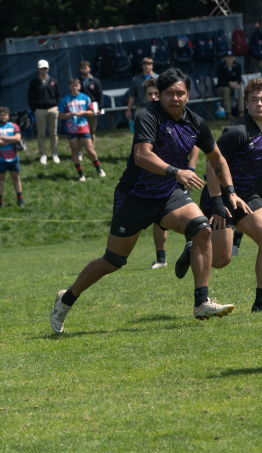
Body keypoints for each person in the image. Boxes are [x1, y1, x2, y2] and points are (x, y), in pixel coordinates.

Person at [50, 68, 246, 333]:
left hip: (167, 194)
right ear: (159, 96)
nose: (175, 98)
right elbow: (142, 156)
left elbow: (218, 159)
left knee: (201, 230)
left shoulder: (196, 123)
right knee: (113, 261)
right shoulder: (148, 116)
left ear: (188, 94)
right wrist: (177, 171)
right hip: (135, 196)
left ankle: (202, 302)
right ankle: (66, 299)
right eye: (169, 94)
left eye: (180, 93)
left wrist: (230, 191)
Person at [174, 79, 262, 313]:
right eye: (254, 99)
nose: (259, 104)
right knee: (222, 260)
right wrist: (217, 204)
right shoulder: (237, 132)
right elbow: (212, 167)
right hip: (221, 197)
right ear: (246, 103)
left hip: (248, 196)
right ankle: (193, 249)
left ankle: (260, 302)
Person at [144, 78, 200, 270]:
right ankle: (161, 258)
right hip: (153, 178)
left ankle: (190, 248)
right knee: (156, 219)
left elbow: (196, 143)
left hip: (178, 176)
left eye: (156, 94)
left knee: (190, 213)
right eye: (149, 94)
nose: (153, 97)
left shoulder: (179, 116)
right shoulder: (145, 117)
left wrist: (190, 168)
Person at [58, 78, 105, 182]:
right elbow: (60, 115)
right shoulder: (65, 100)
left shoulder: (85, 98)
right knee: (74, 150)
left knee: (90, 149)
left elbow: (91, 112)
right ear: (70, 87)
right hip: (71, 129)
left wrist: (83, 113)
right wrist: (69, 115)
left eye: (76, 85)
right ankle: (80, 174)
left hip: (83, 128)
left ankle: (99, 169)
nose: (75, 88)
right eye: (73, 86)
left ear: (79, 86)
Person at [27, 59, 61, 165]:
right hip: (40, 110)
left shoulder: (53, 81)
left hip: (53, 109)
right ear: (38, 69)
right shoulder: (33, 82)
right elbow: (30, 97)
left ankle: (54, 154)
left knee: (54, 133)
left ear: (48, 69)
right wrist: (35, 109)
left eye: (45, 68)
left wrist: (57, 106)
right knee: (41, 133)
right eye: (42, 68)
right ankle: (43, 155)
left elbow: (58, 95)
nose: (44, 70)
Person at [0, 107, 23, 210]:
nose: (3, 117)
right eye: (1, 115)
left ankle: (20, 201)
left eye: (5, 115)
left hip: (13, 157)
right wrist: (11, 140)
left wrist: (3, 138)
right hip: (0, 158)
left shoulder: (14, 126)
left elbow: (17, 138)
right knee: (0, 180)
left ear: (8, 116)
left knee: (16, 178)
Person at [79, 61, 103, 144]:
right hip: (80, 106)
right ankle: (80, 150)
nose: (84, 70)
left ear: (89, 69)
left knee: (92, 128)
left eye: (85, 68)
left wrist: (100, 108)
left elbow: (99, 95)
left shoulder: (95, 81)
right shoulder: (78, 82)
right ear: (79, 69)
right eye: (82, 68)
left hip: (93, 106)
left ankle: (91, 148)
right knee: (80, 128)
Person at [216, 52, 244, 120]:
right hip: (221, 89)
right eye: (228, 57)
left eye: (231, 57)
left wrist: (235, 83)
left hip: (234, 88)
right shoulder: (220, 67)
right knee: (226, 89)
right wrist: (229, 83)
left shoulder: (237, 66)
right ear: (224, 58)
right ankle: (228, 114)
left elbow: (239, 79)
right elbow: (221, 81)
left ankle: (241, 112)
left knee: (239, 88)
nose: (229, 59)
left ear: (234, 58)